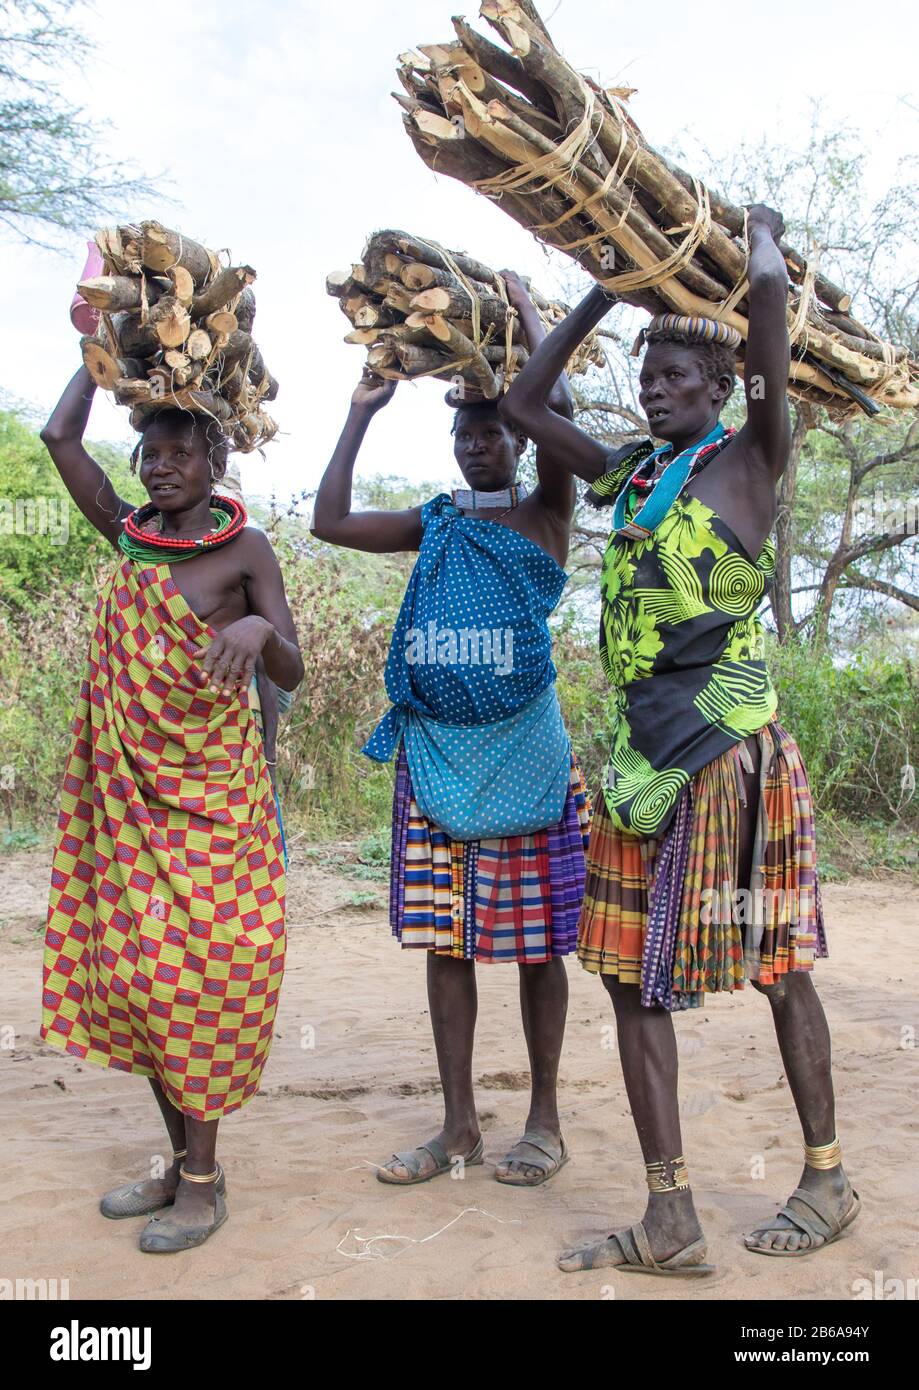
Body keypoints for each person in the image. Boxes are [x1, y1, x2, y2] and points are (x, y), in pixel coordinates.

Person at [498, 206, 857, 1273]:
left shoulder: (749, 460)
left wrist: (757, 255)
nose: (652, 387)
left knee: (775, 962)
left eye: (671, 375)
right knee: (621, 971)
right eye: (644, 374)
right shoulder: (629, 478)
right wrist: (605, 290)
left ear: (717, 388)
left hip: (724, 751)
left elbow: (772, 343)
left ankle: (827, 1178)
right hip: (640, 758)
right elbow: (522, 403)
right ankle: (669, 1216)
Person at [311, 272, 589, 1187]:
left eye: (494, 430)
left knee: (540, 938)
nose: (479, 445)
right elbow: (330, 520)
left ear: (519, 437)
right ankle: (459, 1125)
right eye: (465, 432)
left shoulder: (545, 513)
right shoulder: (431, 525)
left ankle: (542, 1119)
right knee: (447, 940)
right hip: (435, 755)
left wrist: (539, 319)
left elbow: (547, 408)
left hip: (525, 751)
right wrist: (361, 411)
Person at [39, 364, 304, 1253]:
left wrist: (260, 629)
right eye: (149, 451)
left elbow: (293, 669)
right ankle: (188, 1163)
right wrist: (99, 357)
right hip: (129, 804)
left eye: (180, 452)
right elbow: (58, 439)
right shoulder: (130, 538)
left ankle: (200, 1179)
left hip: (216, 805)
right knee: (146, 983)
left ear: (215, 461)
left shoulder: (247, 550)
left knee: (212, 982)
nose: (159, 467)